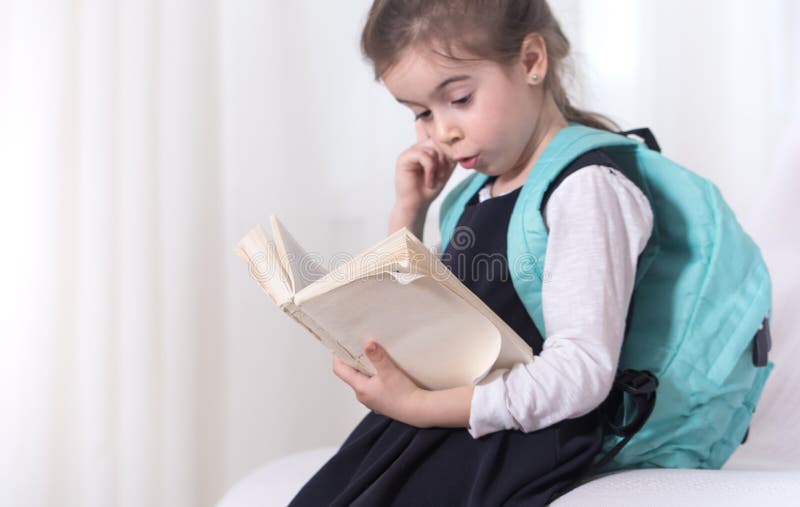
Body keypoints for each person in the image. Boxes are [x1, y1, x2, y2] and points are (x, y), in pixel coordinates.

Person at [289, 0, 654, 505]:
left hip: (522, 434)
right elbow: (434, 321)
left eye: (458, 98)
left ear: (531, 61)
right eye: (420, 113)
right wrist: (409, 212)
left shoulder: (586, 187)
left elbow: (582, 371)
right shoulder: (476, 188)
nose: (441, 132)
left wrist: (422, 408)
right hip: (450, 418)